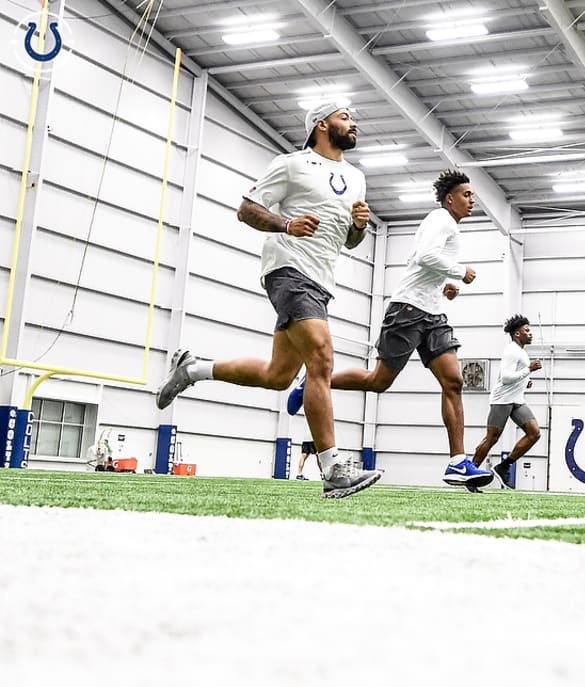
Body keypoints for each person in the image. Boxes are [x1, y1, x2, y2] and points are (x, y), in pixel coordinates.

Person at [156, 102, 382, 499]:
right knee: (322, 359)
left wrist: (359, 225)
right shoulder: (293, 164)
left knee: (278, 376)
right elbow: (246, 210)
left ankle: (193, 369)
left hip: (321, 278)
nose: (354, 122)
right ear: (322, 125)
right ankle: (332, 469)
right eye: (346, 116)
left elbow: (349, 240)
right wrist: (287, 224)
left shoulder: (356, 178)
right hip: (288, 269)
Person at [286, 168, 491, 489]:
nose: (472, 200)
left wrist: (445, 286)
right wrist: (459, 270)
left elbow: (425, 268)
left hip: (432, 313)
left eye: (472, 196)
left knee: (454, 381)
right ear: (450, 199)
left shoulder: (449, 224)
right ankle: (312, 381)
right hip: (407, 310)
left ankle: (457, 462)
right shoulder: (441, 219)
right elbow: (425, 256)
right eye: (467, 195)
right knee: (378, 381)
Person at [470, 314, 542, 490]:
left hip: (516, 400)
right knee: (492, 438)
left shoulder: (521, 351)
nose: (530, 333)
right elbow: (506, 378)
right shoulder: (512, 351)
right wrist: (529, 370)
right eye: (527, 331)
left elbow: (515, 378)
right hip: (502, 400)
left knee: (534, 433)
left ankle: (504, 466)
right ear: (517, 334)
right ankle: (469, 474)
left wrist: (525, 382)